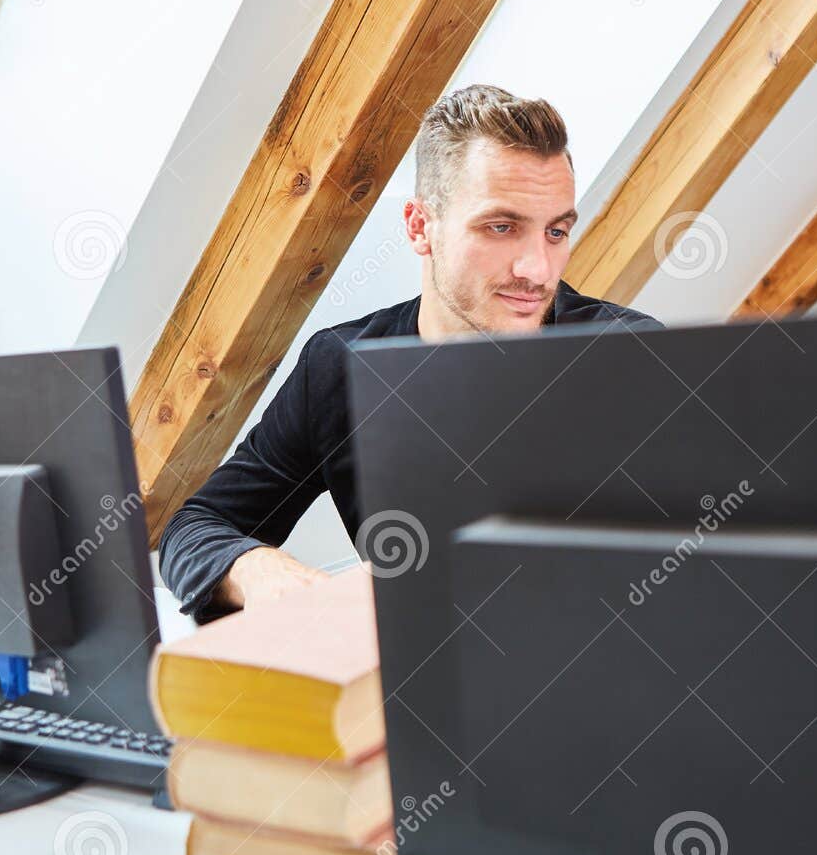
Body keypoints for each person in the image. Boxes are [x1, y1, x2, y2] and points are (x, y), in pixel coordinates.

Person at [160, 84, 660, 621]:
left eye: (556, 232)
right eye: (501, 227)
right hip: (416, 690)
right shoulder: (337, 366)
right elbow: (197, 526)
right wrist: (255, 569)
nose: (537, 269)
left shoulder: (628, 356)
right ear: (420, 226)